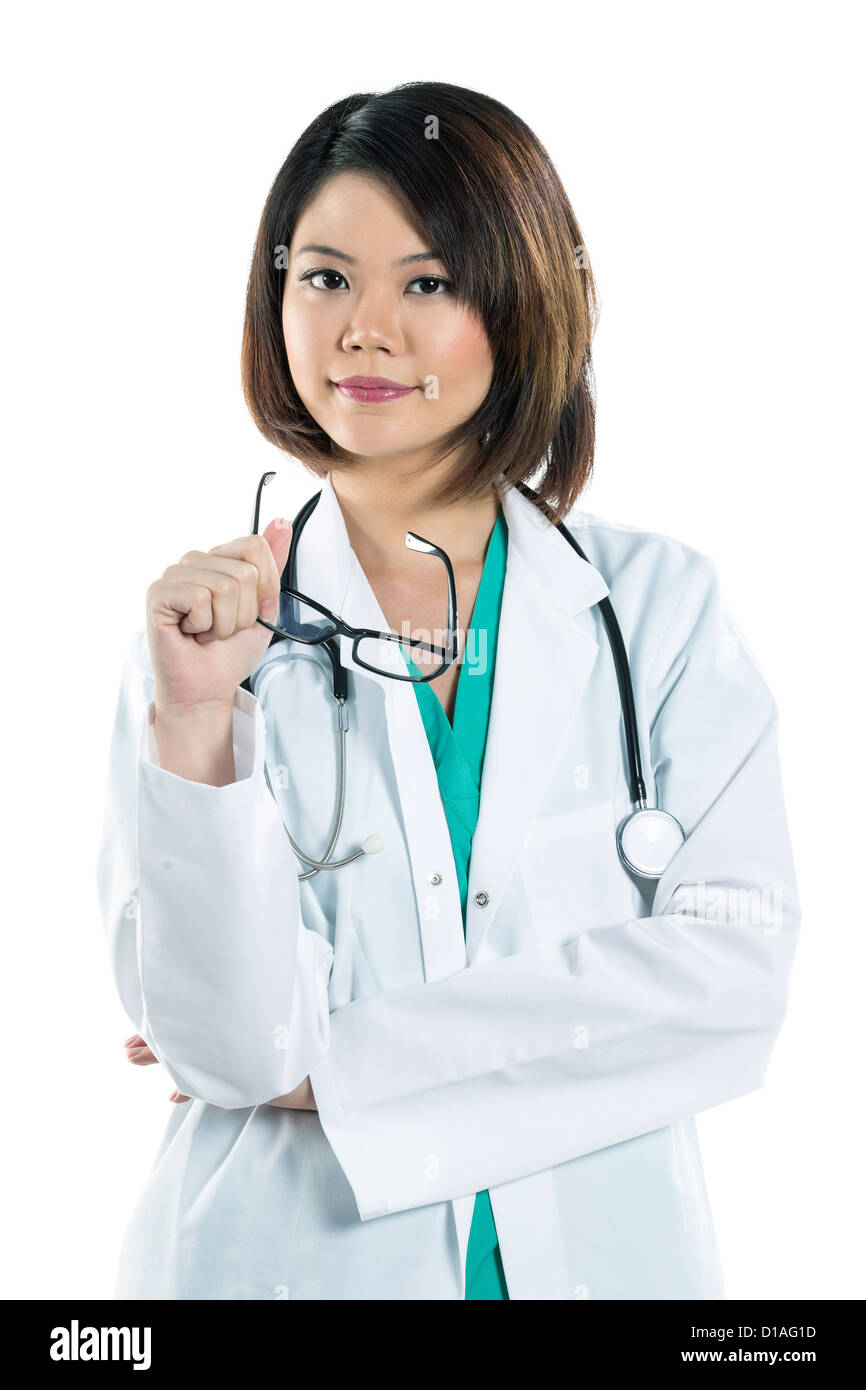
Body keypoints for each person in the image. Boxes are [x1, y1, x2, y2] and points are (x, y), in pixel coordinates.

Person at [96, 80, 801, 1301]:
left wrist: (332, 1065)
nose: (364, 330)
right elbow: (228, 1047)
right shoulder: (198, 641)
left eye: (426, 283)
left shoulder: (658, 610)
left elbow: (731, 980)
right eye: (323, 278)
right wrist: (204, 717)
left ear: (521, 301)